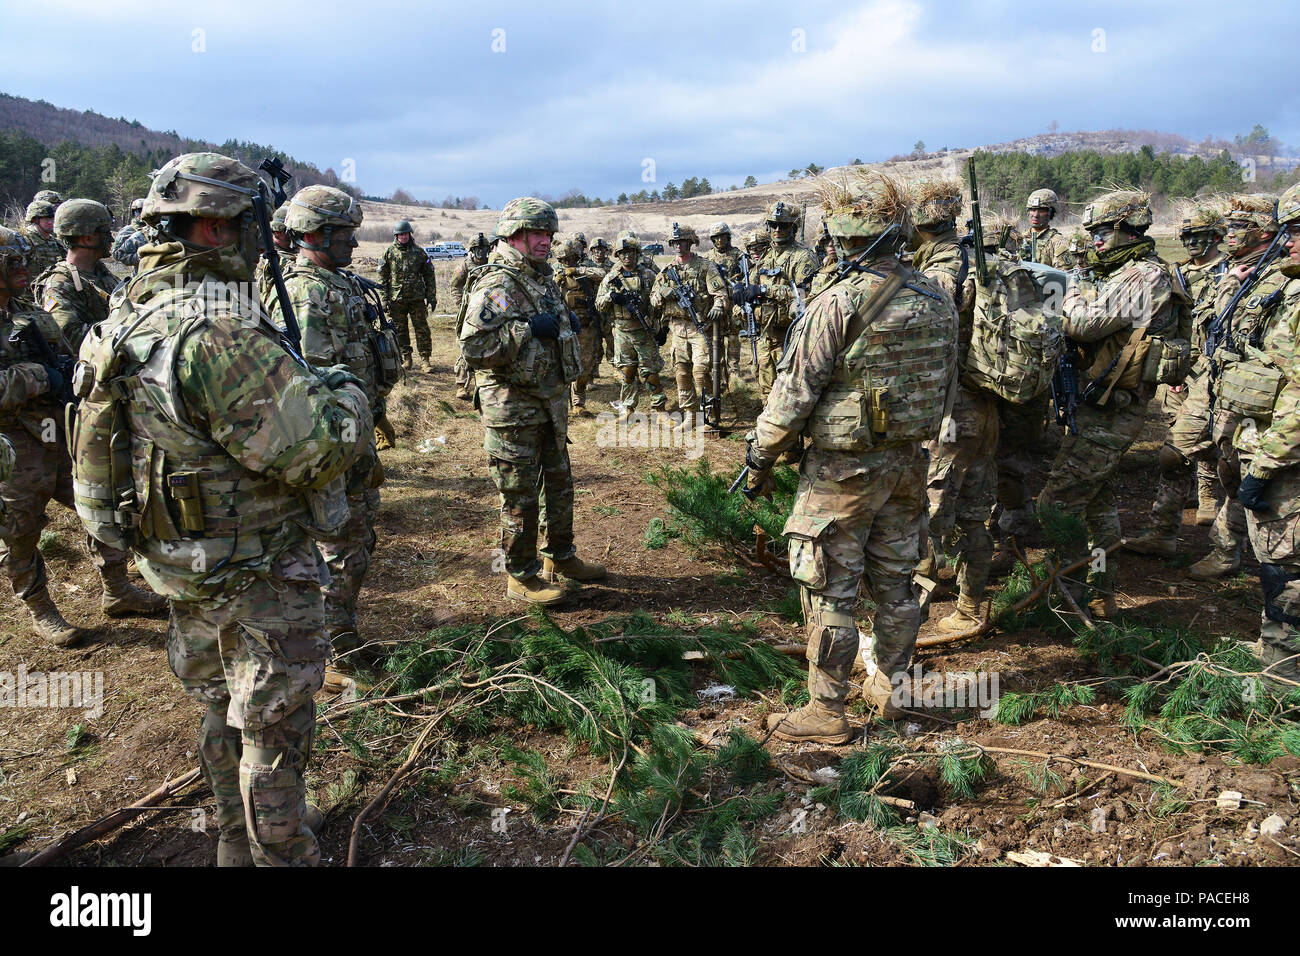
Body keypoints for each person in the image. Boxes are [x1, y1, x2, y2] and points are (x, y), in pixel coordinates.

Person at [75, 152, 371, 866]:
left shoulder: (133, 309)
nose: (255, 244)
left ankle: (236, 844)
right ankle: (282, 853)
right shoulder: (219, 332)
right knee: (271, 728)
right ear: (214, 228)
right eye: (246, 228)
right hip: (255, 565)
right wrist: (347, 396)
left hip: (183, 562)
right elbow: (315, 449)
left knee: (220, 708)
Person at [744, 170, 956, 743]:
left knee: (832, 588)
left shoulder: (834, 303)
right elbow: (946, 382)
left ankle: (827, 712)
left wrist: (759, 458)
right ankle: (891, 686)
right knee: (896, 582)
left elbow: (792, 398)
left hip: (843, 472)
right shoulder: (937, 297)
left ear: (840, 239)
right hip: (909, 464)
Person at [0, 226, 162, 647]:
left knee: (101, 508)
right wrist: (36, 376)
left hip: (61, 434)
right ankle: (39, 608)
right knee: (20, 531)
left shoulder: (27, 313)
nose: (24, 268)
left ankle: (117, 589)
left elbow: (68, 357)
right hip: (13, 449)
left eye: (23, 260)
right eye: (12, 262)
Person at [1036, 188, 1177, 617]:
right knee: (1098, 500)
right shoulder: (1123, 271)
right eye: (1092, 231)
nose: (1095, 240)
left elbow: (1082, 323)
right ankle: (1102, 589)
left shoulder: (1144, 276)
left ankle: (1067, 589)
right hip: (1101, 403)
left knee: (1055, 504)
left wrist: (1065, 289)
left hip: (1112, 410)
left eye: (1101, 231)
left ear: (1127, 230)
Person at [459, 197, 606, 605]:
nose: (547, 241)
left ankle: (559, 557)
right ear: (515, 235)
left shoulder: (540, 278)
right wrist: (527, 331)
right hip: (513, 407)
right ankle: (520, 576)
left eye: (549, 234)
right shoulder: (499, 284)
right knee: (519, 495)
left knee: (559, 485)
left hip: (548, 402)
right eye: (539, 234)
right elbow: (475, 346)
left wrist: (563, 325)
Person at [276, 185, 387, 660]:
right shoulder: (306, 292)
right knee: (340, 543)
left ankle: (339, 634)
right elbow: (311, 382)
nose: (354, 245)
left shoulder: (337, 284)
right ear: (316, 234)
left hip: (353, 433)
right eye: (345, 234)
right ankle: (326, 647)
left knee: (358, 536)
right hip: (333, 440)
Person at [907, 178, 996, 633]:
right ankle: (970, 606)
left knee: (930, 512)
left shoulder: (941, 268)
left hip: (951, 409)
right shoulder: (979, 258)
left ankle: (913, 613)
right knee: (975, 511)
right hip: (983, 402)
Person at [1126, 200, 1230, 557]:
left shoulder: (1232, 275)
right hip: (1183, 374)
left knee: (1221, 452)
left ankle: (1210, 499)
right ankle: (1165, 529)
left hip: (1220, 375)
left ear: (1217, 236)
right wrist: (1174, 369)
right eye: (1185, 236)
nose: (1190, 243)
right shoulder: (1177, 274)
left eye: (1197, 236)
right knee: (1175, 450)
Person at [1235, 182, 1300, 683]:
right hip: (1273, 452)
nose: (1288, 240)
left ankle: (1283, 681)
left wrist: (1264, 465)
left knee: (1285, 571)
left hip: (1285, 463)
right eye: (1286, 229)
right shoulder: (1288, 289)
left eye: (1297, 230)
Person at [649, 223, 728, 433]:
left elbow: (720, 294)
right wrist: (663, 293)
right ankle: (691, 416)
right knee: (681, 373)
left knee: (701, 372)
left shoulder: (705, 266)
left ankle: (708, 416)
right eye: (675, 242)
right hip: (677, 329)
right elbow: (654, 299)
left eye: (682, 242)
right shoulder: (667, 271)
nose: (678, 246)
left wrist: (719, 306)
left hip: (699, 326)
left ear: (690, 243)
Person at [748, 201, 818, 395]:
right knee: (765, 385)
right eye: (773, 224)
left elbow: (806, 296)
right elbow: (751, 288)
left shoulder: (804, 257)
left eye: (783, 225)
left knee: (789, 389)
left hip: (790, 335)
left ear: (792, 227)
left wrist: (766, 289)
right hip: (764, 333)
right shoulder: (765, 256)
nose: (777, 229)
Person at [595, 231, 666, 418]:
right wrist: (611, 297)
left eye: (631, 252)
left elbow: (659, 301)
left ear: (637, 253)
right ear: (617, 255)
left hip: (644, 330)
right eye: (622, 253)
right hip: (621, 331)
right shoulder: (611, 278)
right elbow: (599, 304)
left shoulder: (649, 275)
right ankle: (628, 407)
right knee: (627, 372)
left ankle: (659, 409)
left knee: (650, 372)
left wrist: (660, 327)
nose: (627, 256)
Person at [33, 199, 119, 351]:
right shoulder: (59, 284)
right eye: (106, 232)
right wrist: (124, 329)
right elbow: (71, 338)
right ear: (88, 238)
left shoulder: (102, 273)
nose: (111, 239)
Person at [554, 238, 607, 415]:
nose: (568, 262)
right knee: (559, 365)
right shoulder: (555, 272)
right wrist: (558, 278)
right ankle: (559, 402)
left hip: (586, 326)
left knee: (585, 366)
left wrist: (577, 270)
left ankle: (579, 401)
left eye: (572, 258)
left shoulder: (586, 269)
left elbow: (603, 274)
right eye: (565, 259)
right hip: (563, 326)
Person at [379, 220, 438, 371]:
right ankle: (407, 358)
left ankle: (425, 360)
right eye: (400, 234)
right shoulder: (389, 253)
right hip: (396, 300)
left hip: (417, 298)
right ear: (396, 236)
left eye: (405, 234)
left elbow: (429, 275)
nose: (403, 237)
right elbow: (382, 277)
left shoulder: (419, 252)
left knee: (422, 328)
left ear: (410, 234)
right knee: (400, 330)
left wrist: (431, 296)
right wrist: (384, 299)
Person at [451, 232, 491, 401]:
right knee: (466, 346)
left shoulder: (493, 265)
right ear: (472, 250)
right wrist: (462, 305)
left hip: (489, 312)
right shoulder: (465, 266)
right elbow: (455, 287)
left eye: (483, 249)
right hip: (468, 312)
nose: (481, 253)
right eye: (477, 249)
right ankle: (461, 384)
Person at [704, 221, 744, 378]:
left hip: (733, 305)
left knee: (734, 339)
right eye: (716, 238)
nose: (719, 241)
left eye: (722, 237)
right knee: (716, 340)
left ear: (728, 237)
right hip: (716, 304)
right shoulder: (707, 258)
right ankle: (718, 374)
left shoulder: (739, 256)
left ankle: (734, 371)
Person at [1019, 187, 1069, 267]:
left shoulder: (1056, 241)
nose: (1035, 215)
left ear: (1051, 213)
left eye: (1041, 210)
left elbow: (1065, 274)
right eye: (1032, 209)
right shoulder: (1019, 238)